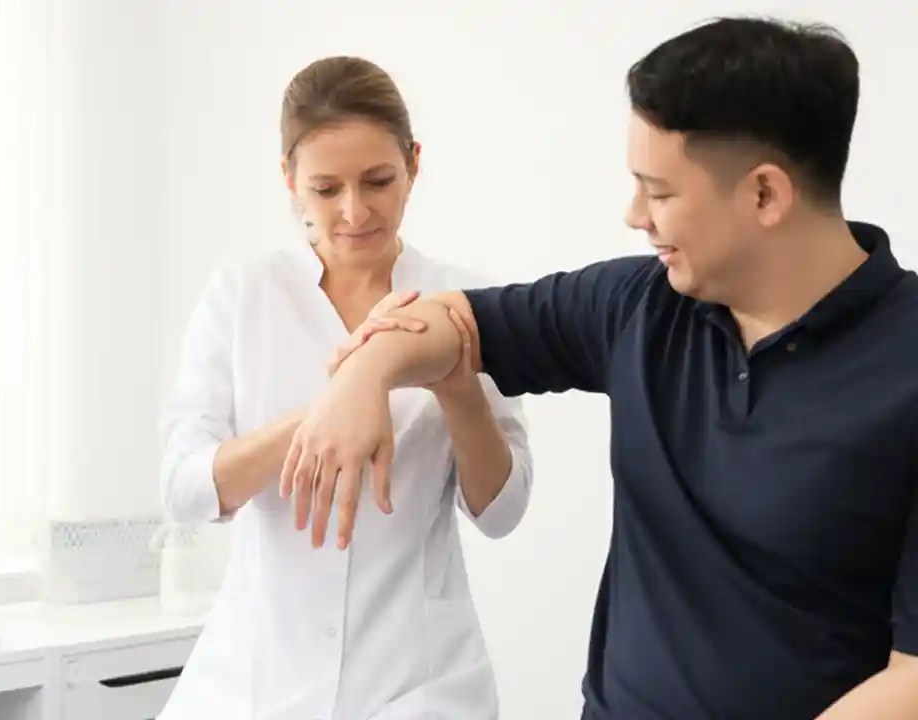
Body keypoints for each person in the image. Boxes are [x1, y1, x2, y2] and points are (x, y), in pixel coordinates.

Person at [285, 17, 918, 719]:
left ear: (765, 194)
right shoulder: (640, 305)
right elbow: (456, 322)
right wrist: (364, 376)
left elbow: (913, 678)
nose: (634, 214)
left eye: (660, 192)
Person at [156, 56, 534, 719]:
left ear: (414, 164)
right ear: (289, 181)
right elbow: (187, 491)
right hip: (258, 681)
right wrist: (335, 409)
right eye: (326, 189)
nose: (354, 212)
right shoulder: (244, 296)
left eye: (379, 181)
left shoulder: (464, 301)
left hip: (419, 682)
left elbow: (501, 512)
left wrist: (454, 383)